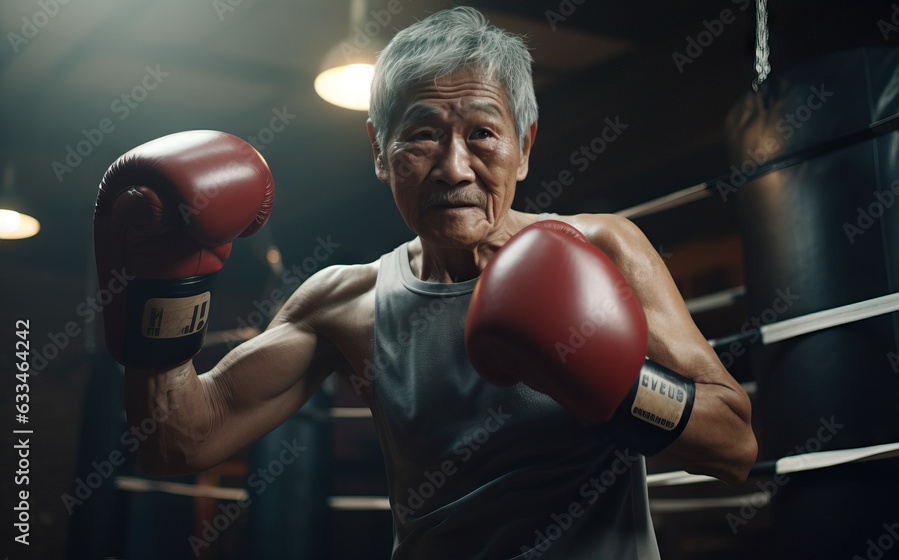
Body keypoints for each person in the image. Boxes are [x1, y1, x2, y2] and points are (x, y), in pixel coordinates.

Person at [94, 7, 756, 559]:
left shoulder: (604, 248)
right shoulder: (344, 303)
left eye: (482, 133)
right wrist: (161, 282)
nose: (454, 167)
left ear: (524, 146)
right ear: (379, 152)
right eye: (422, 135)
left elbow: (734, 444)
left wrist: (614, 386)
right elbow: (177, 439)